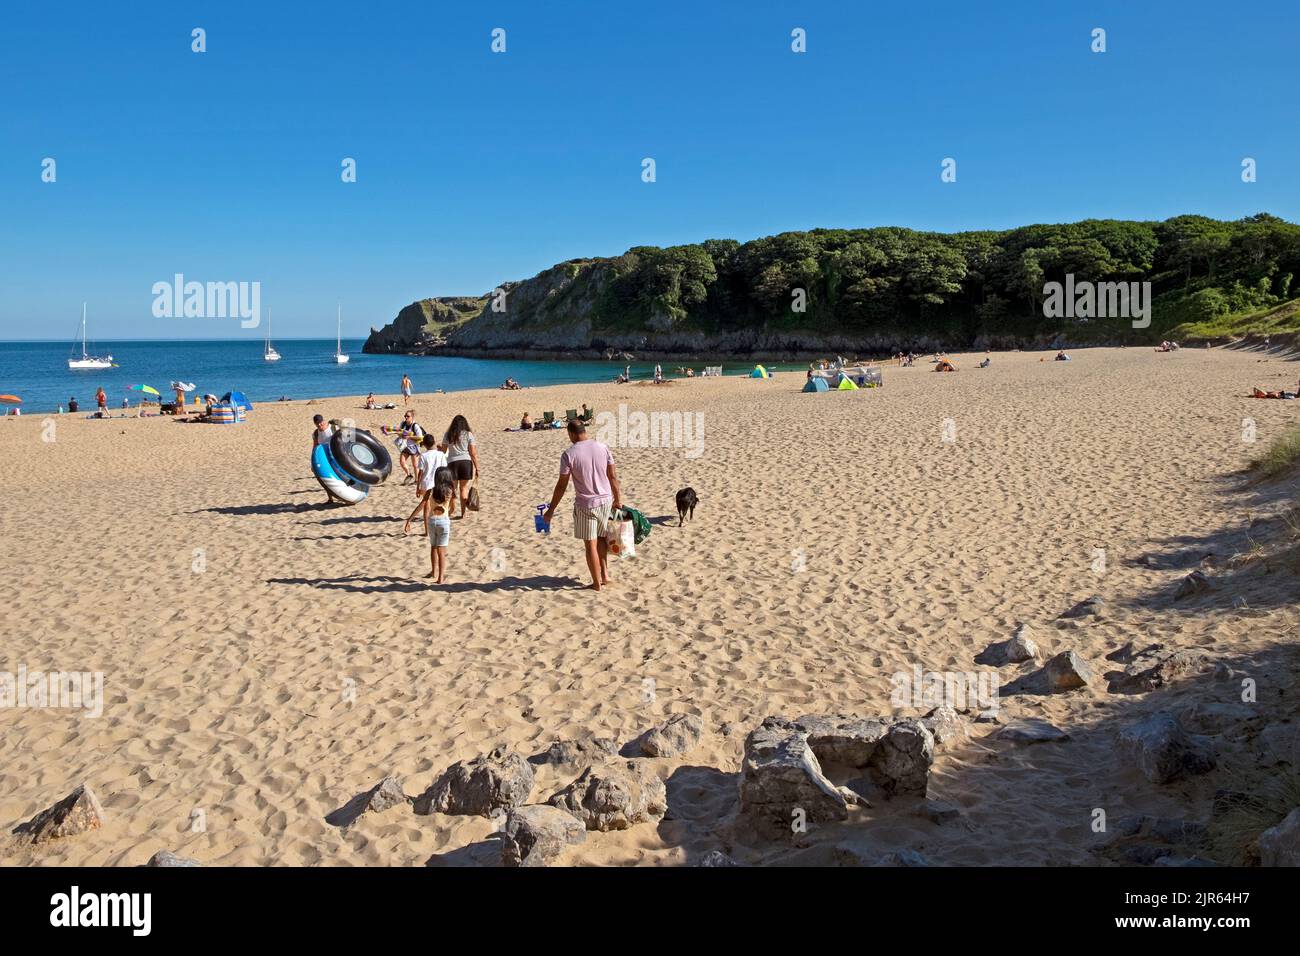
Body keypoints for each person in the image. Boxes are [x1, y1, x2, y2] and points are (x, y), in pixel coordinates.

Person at [542, 419, 622, 591]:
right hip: (606, 500)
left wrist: (551, 510)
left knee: (590, 544)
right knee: (601, 538)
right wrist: (618, 500)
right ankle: (605, 576)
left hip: (586, 504)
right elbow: (613, 476)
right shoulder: (602, 447)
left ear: (571, 434)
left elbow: (562, 485)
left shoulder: (569, 454)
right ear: (584, 430)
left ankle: (595, 583)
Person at [404, 434, 449, 535]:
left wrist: (417, 487)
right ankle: (433, 528)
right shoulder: (441, 454)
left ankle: (425, 531)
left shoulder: (423, 456)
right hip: (438, 482)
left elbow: (420, 473)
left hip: (426, 483)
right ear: (434, 442)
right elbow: (444, 469)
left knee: (425, 506)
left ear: (424, 444)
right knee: (436, 506)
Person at [440, 414, 479, 517]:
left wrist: (439, 448)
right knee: (464, 489)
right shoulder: (468, 434)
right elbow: (473, 453)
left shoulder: (448, 434)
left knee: (452, 488)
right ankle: (463, 513)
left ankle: (450, 509)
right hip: (466, 463)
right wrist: (477, 467)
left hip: (452, 463)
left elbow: (443, 451)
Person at [423, 466, 457, 582]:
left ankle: (433, 571)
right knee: (442, 550)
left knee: (433, 547)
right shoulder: (450, 491)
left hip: (432, 520)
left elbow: (424, 503)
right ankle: (441, 577)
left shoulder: (431, 490)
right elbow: (453, 508)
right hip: (444, 521)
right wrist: (448, 512)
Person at [395, 410, 424, 484]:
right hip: (405, 446)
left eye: (408, 416)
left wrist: (409, 437)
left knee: (415, 465)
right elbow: (400, 433)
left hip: (414, 446)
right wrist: (399, 434)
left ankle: (417, 480)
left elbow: (420, 438)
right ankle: (409, 474)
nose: (406, 417)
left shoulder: (415, 426)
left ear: (412, 417)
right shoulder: (403, 424)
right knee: (402, 462)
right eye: (405, 416)